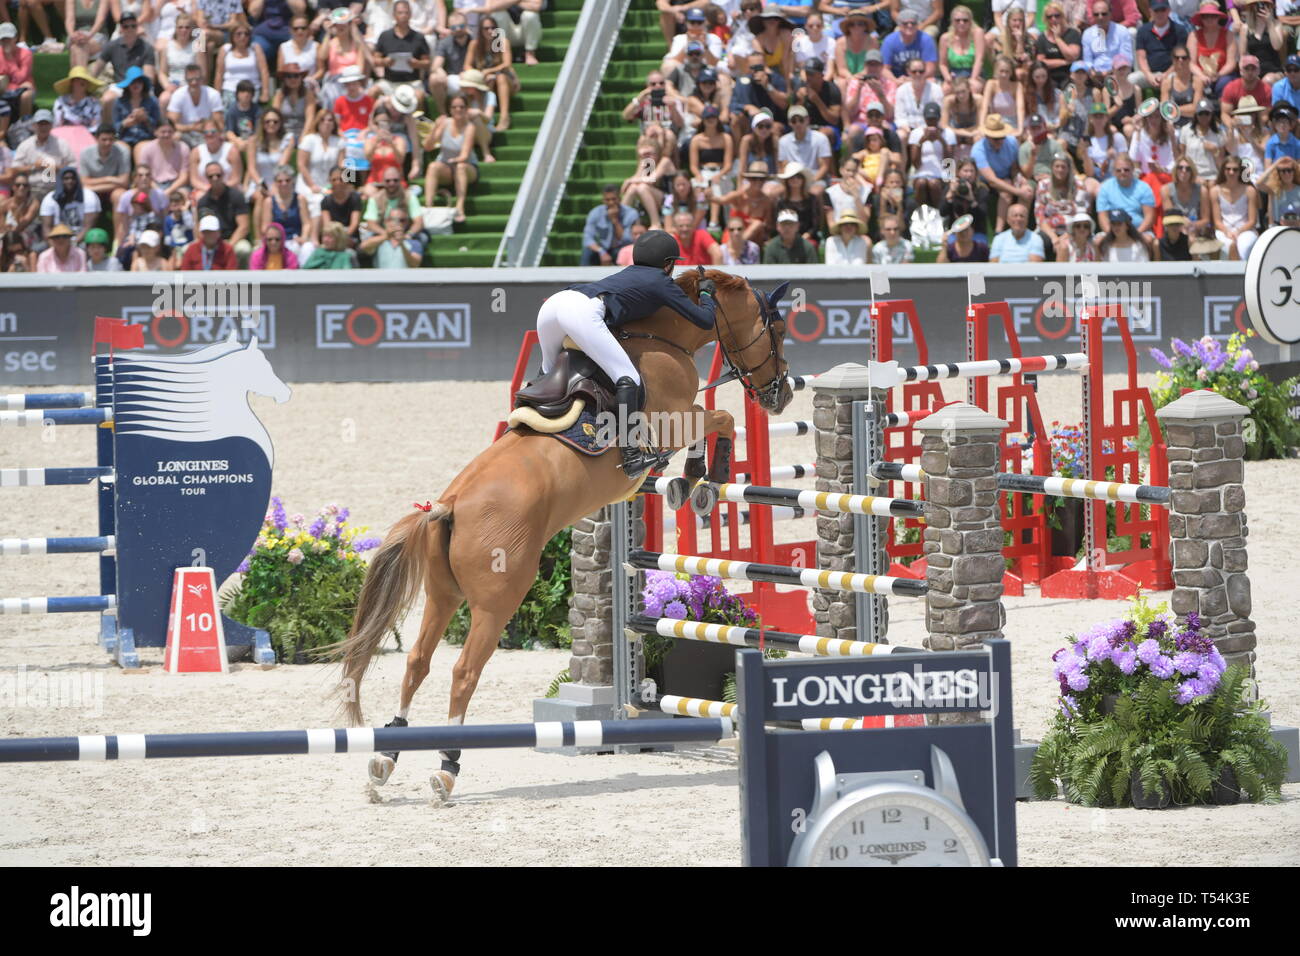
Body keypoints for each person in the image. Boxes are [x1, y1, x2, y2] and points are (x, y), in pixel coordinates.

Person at [556, 229, 719, 472]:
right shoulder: (661, 281)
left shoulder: (627, 274)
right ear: (667, 265)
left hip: (559, 303)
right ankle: (631, 454)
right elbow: (706, 321)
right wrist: (706, 293)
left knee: (550, 370)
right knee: (627, 377)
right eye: (673, 265)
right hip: (584, 312)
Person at [196, 160, 252, 263]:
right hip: (211, 241)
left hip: (234, 239)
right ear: (206, 178)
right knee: (189, 250)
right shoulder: (203, 201)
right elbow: (199, 229)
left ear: (224, 175)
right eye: (211, 176)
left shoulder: (236, 196)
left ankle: (245, 278)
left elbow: (243, 227)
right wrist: (212, 246)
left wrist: (228, 246)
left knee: (244, 249)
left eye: (218, 175)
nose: (215, 178)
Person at [1211, 155, 1260, 259]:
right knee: (1228, 246)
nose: (1231, 172)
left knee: (1244, 247)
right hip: (1223, 231)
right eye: (1228, 169)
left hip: (1246, 230)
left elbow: (1252, 221)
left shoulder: (1250, 190)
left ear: (1240, 171)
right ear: (1223, 170)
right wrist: (1227, 232)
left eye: (1235, 169)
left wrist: (1238, 231)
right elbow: (1217, 221)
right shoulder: (1215, 191)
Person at [1136, 0, 1188, 92]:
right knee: (1131, 80)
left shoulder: (1180, 31)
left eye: (1163, 10)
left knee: (1176, 80)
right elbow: (1141, 58)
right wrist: (1149, 75)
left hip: (1172, 73)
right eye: (1156, 10)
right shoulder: (1142, 31)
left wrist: (1165, 75)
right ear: (1150, 12)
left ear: (1169, 10)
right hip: (1148, 74)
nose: (1160, 13)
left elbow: (1180, 59)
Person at [1097, 155, 1156, 236]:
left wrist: (1137, 234)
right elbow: (1102, 217)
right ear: (1113, 172)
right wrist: (1111, 236)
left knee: (1149, 240)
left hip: (1140, 231)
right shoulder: (1105, 188)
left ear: (1132, 170)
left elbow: (1149, 217)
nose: (1122, 172)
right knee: (1097, 241)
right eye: (1118, 170)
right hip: (1113, 232)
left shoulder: (1144, 187)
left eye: (1126, 170)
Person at [583, 184, 641, 265]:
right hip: (602, 248)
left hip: (621, 248)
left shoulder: (631, 214)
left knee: (627, 251)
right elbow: (587, 238)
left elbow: (627, 240)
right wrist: (601, 252)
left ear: (619, 199)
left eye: (614, 199)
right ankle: (583, 276)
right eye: (607, 200)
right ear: (603, 200)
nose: (611, 202)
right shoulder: (595, 213)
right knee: (588, 250)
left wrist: (615, 221)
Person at [40, 167, 101, 244]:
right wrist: (56, 247)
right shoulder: (49, 199)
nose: (70, 181)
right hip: (57, 240)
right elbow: (46, 229)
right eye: (66, 178)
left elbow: (88, 227)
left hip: (81, 240)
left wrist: (72, 246)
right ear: (60, 181)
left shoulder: (89, 196)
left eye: (73, 178)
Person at [80, 125, 132, 211]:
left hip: (108, 189)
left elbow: (124, 182)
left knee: (120, 195)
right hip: (107, 187)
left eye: (111, 140)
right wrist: (109, 179)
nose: (107, 143)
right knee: (86, 195)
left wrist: (93, 186)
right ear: (96, 138)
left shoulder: (123, 151)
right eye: (104, 140)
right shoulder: (85, 153)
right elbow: (84, 181)